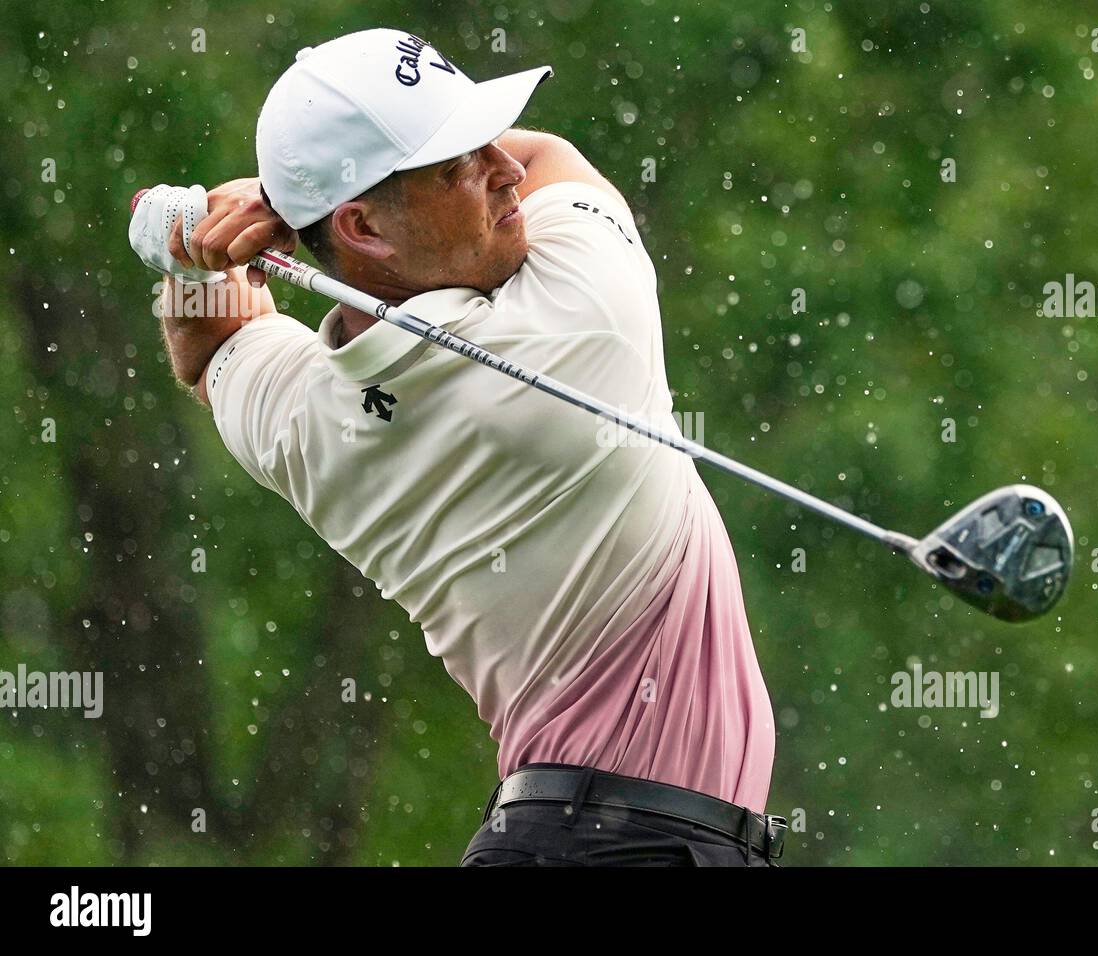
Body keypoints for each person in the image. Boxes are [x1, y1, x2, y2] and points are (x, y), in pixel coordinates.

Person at [128, 27, 781, 866]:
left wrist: (192, 252)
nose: (504, 170)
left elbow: (212, 344)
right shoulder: (579, 313)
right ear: (362, 225)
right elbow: (552, 155)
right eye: (461, 164)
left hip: (554, 837)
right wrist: (262, 198)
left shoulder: (304, 420)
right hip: (637, 845)